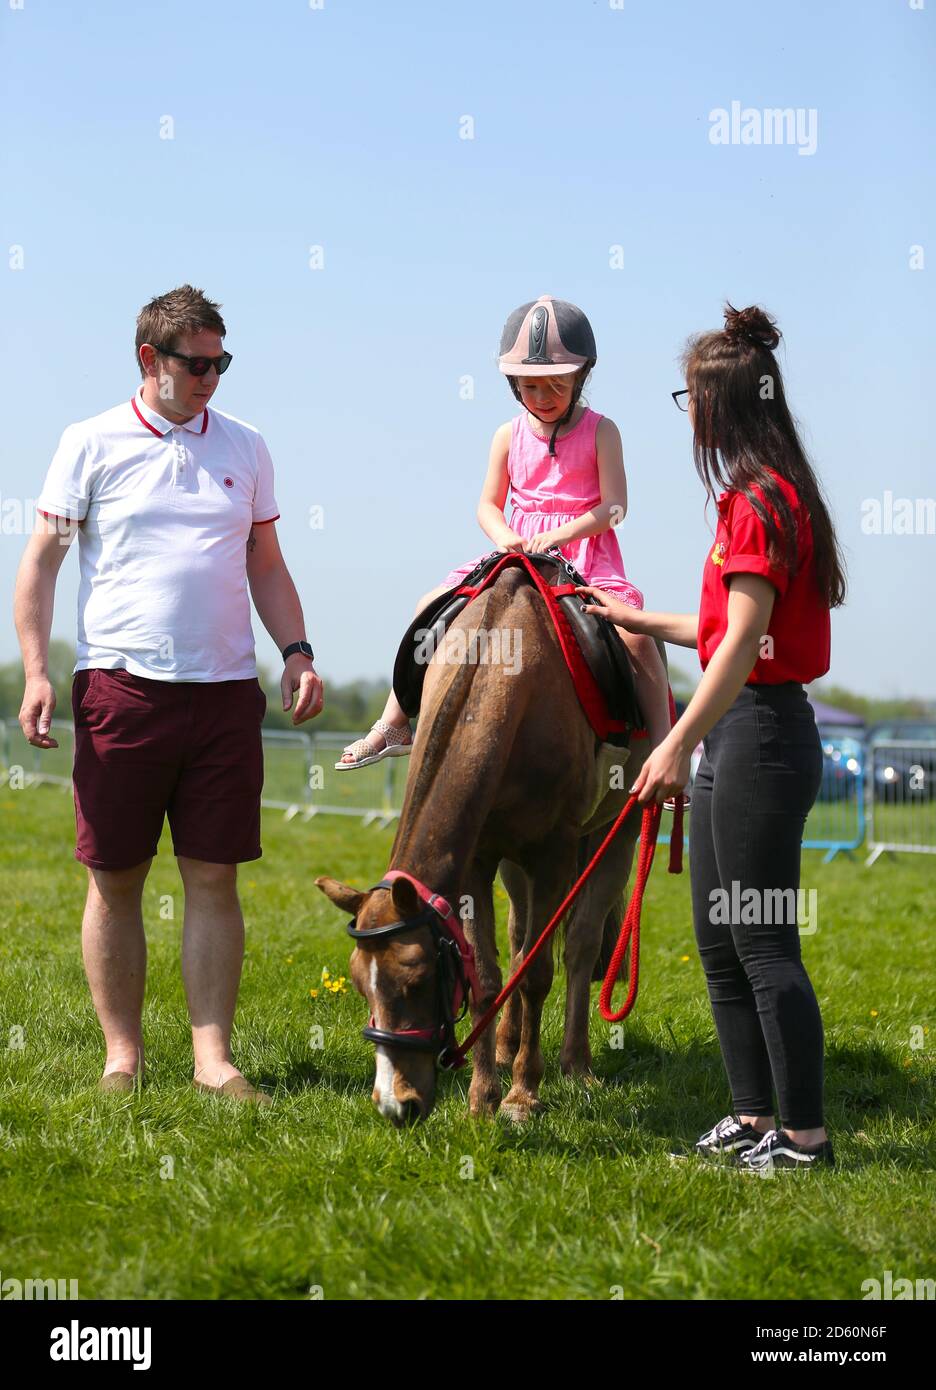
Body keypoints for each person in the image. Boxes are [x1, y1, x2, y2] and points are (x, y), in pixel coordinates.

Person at [14, 284, 324, 1103]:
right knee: (114, 876)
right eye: (197, 363)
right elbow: (41, 562)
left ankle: (213, 1060)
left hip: (224, 695)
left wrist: (295, 652)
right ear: (149, 360)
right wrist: (39, 671)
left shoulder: (248, 447)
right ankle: (123, 1058)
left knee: (214, 878)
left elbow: (265, 562)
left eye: (222, 362)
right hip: (121, 688)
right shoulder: (89, 441)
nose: (211, 377)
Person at [579, 303, 846, 1171]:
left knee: (764, 941)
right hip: (739, 729)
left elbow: (740, 645)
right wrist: (631, 619)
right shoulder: (763, 494)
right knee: (719, 938)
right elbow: (720, 626)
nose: (685, 413)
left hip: (761, 736)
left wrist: (674, 742)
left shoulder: (757, 503)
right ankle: (751, 1118)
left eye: (688, 397)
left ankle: (803, 1138)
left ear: (721, 404)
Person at [336, 294, 672, 769]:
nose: (543, 397)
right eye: (530, 387)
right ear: (515, 387)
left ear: (581, 378)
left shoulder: (602, 431)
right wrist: (503, 535)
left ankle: (665, 746)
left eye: (556, 384)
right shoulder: (506, 435)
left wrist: (560, 536)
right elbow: (487, 505)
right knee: (426, 606)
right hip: (518, 552)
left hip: (584, 555)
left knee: (636, 637)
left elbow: (615, 508)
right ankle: (394, 721)